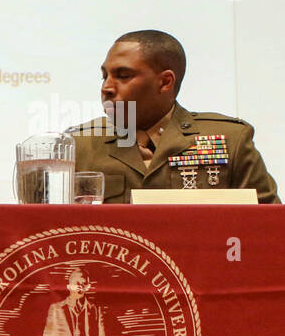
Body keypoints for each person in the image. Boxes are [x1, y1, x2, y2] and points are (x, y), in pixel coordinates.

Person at [68, 29, 278, 204]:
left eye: (123, 76)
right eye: (104, 76)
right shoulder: (80, 145)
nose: (107, 87)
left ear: (165, 82)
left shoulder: (231, 140)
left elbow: (269, 228)